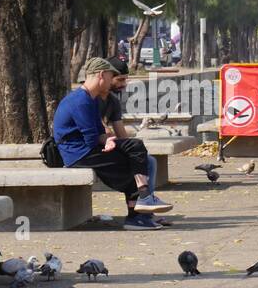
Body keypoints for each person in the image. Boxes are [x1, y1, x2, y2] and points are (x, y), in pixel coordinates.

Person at [53, 57, 171, 229]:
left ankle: (139, 211)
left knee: (137, 154)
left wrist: (108, 139)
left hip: (86, 149)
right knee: (136, 158)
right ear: (101, 75)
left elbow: (99, 133)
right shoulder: (80, 101)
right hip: (79, 154)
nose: (110, 82)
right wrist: (106, 140)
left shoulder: (90, 98)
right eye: (110, 77)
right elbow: (91, 138)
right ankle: (140, 211)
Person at [101, 59, 172, 226]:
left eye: (125, 80)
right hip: (94, 151)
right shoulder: (92, 99)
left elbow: (121, 134)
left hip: (108, 145)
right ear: (108, 76)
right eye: (120, 80)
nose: (123, 85)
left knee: (149, 161)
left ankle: (146, 210)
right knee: (141, 164)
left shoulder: (112, 101)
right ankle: (139, 211)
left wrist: (129, 150)